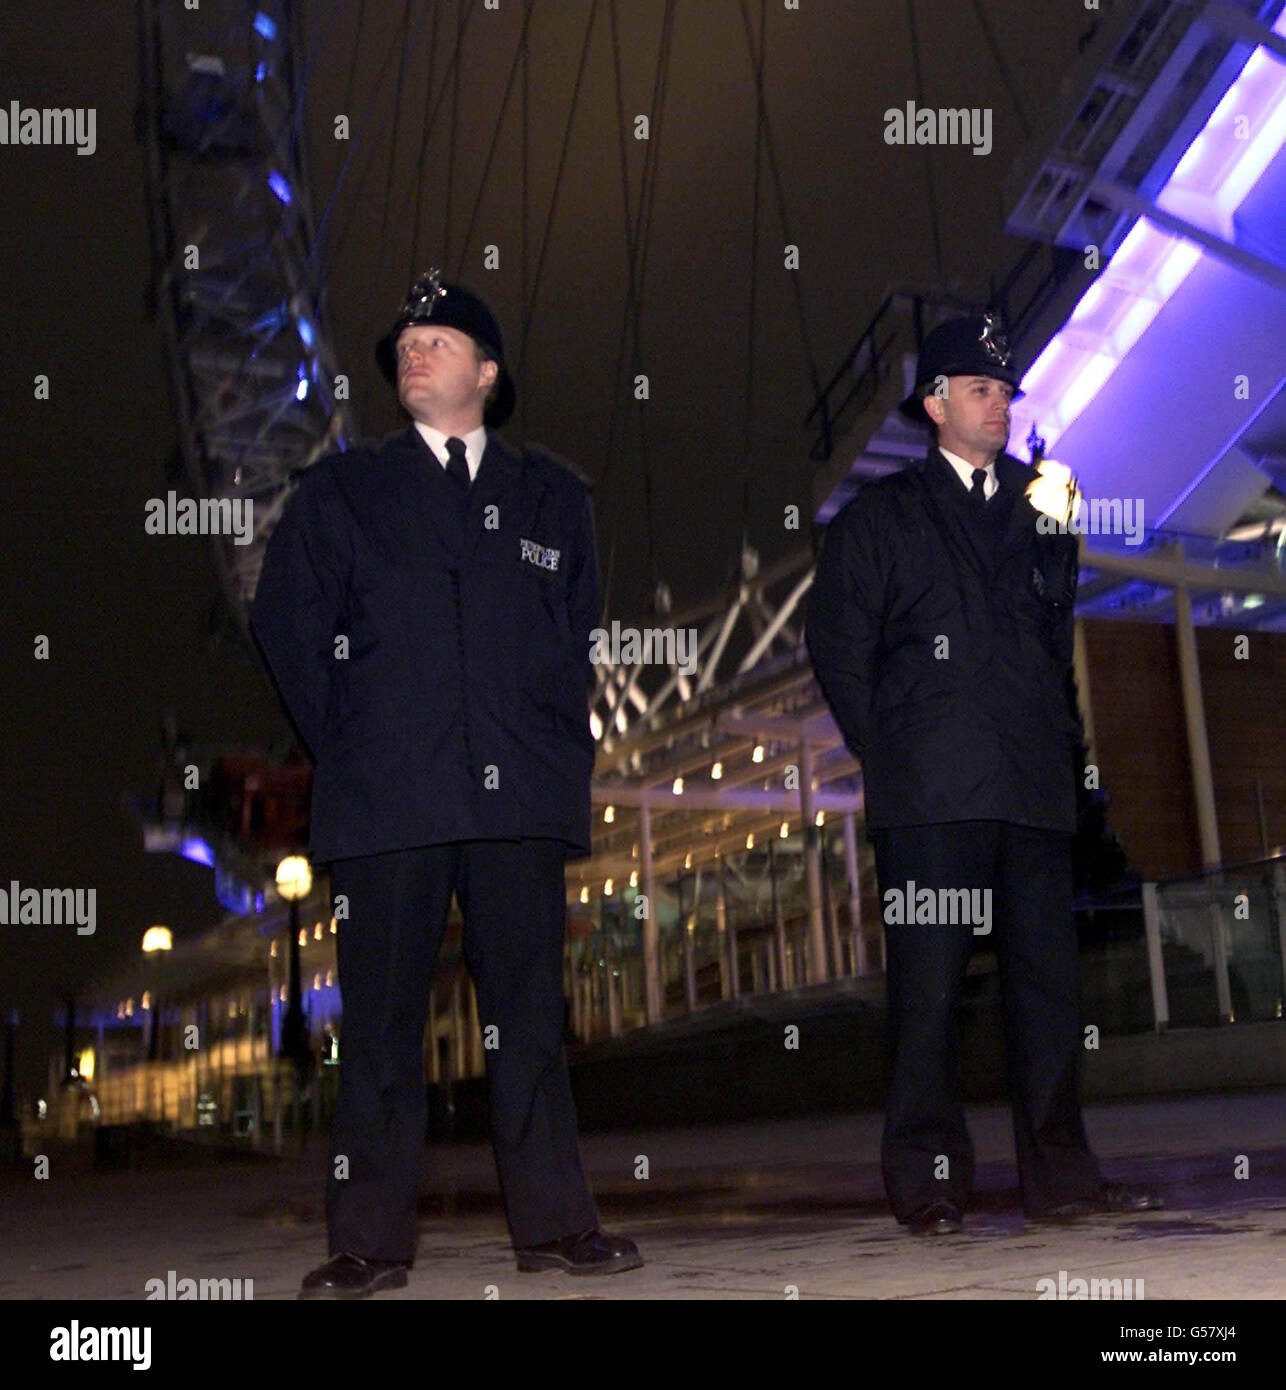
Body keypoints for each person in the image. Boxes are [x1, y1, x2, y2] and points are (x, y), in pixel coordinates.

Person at [250, 269, 642, 1295]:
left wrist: (553, 748)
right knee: (379, 1028)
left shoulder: (554, 497)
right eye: (404, 339)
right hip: (389, 801)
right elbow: (286, 625)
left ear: (487, 370)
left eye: (437, 335)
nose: (411, 348)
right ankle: (369, 1242)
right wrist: (353, 741)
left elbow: (575, 635)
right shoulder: (340, 494)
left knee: (529, 1020)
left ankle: (555, 1225)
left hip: (515, 802)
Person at [806, 313, 1162, 1235]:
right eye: (979, 390)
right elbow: (837, 649)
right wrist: (892, 755)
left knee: (1048, 994)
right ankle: (928, 1185)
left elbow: (1051, 644)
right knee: (930, 994)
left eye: (1006, 392)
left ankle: (1063, 1177)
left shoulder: (1043, 503)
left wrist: (1075, 779)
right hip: (932, 805)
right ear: (935, 406)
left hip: (1031, 796)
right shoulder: (879, 520)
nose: (998, 405)